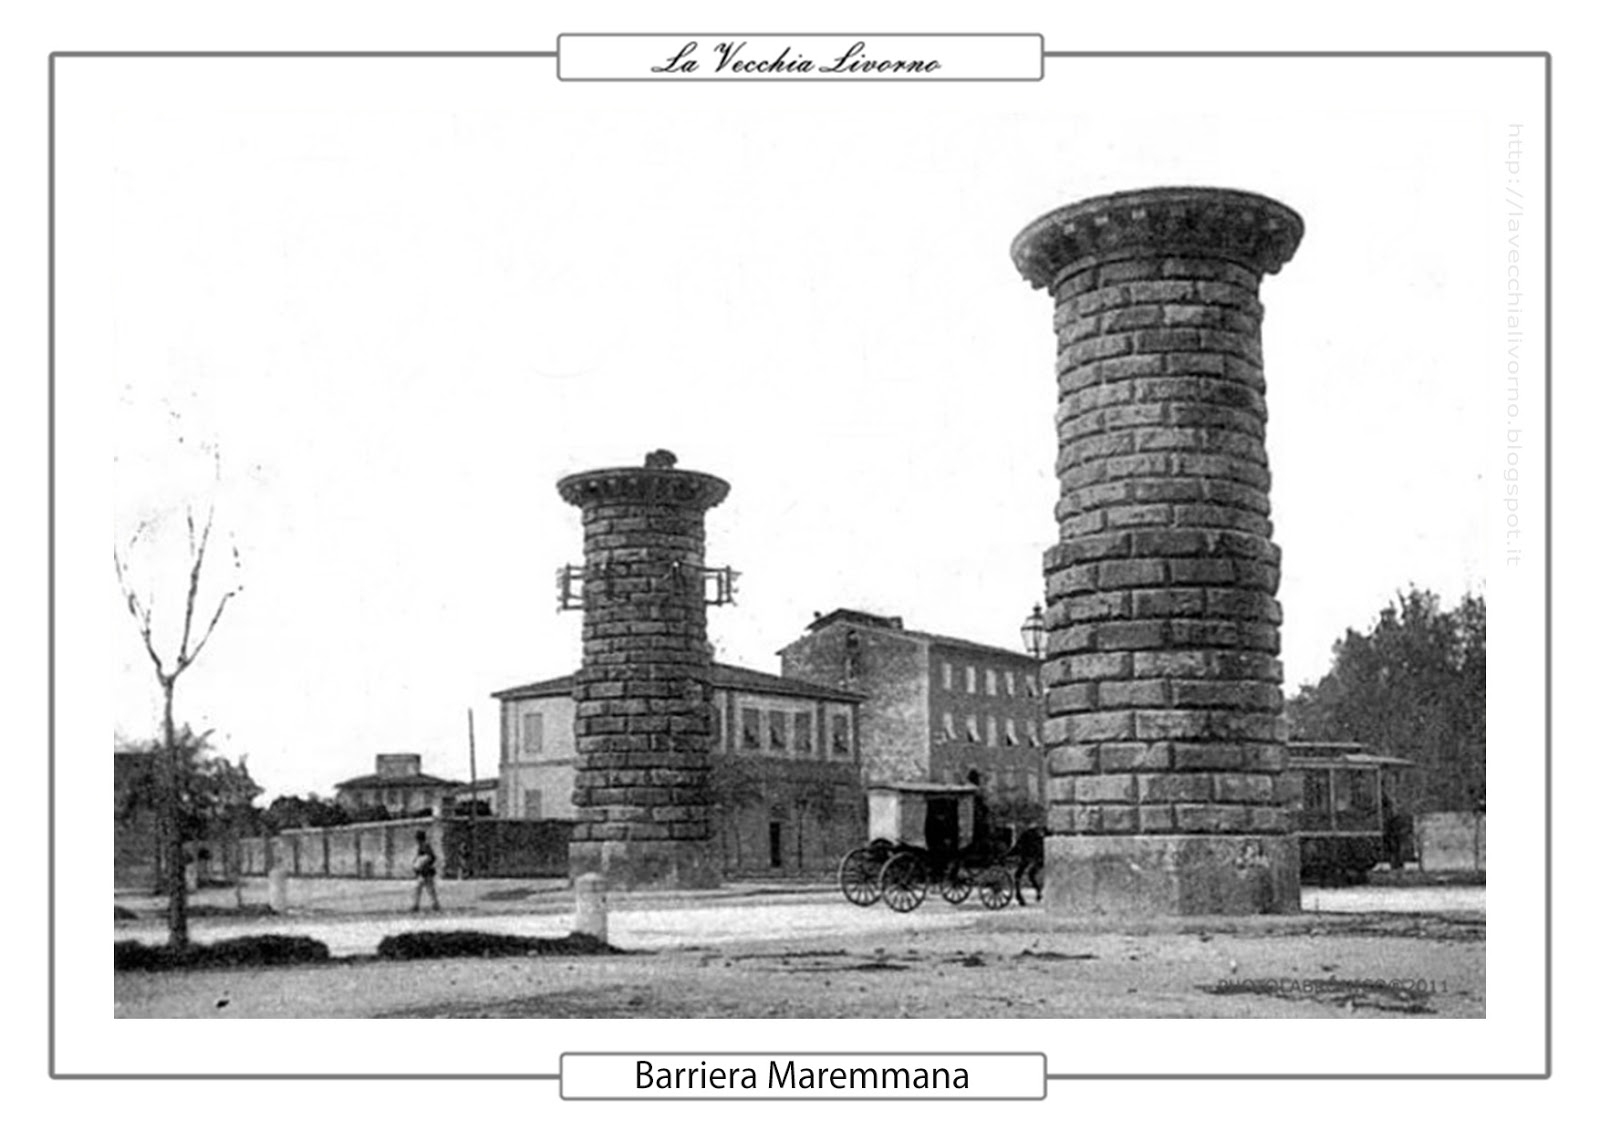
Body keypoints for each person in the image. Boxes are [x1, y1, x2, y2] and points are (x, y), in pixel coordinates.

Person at [410, 830, 441, 912]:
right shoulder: (420, 846)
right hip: (422, 872)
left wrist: (424, 862)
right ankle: (416, 905)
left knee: (429, 889)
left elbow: (432, 857)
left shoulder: (425, 846)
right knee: (418, 888)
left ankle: (435, 905)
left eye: (417, 838)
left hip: (427, 872)